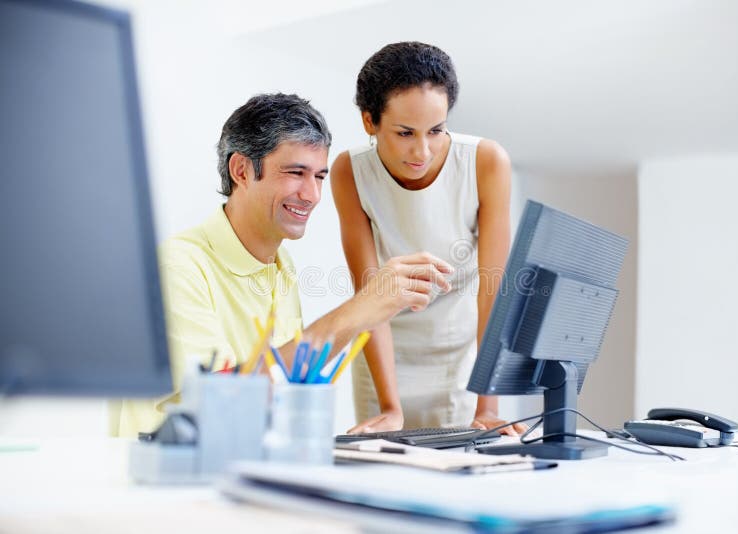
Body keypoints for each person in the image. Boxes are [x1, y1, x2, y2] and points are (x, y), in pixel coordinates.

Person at [109, 93, 453, 437]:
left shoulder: (280, 266)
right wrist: (357, 312)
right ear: (241, 170)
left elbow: (273, 394)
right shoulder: (177, 265)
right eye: (295, 172)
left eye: (319, 176)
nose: (312, 194)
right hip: (170, 484)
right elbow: (218, 403)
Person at [331, 42, 528, 435]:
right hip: (383, 355)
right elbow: (368, 292)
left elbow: (493, 289)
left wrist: (488, 404)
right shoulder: (349, 172)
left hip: (458, 357)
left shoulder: (486, 162)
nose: (422, 150)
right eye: (405, 133)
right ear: (370, 121)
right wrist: (390, 406)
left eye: (436, 130)